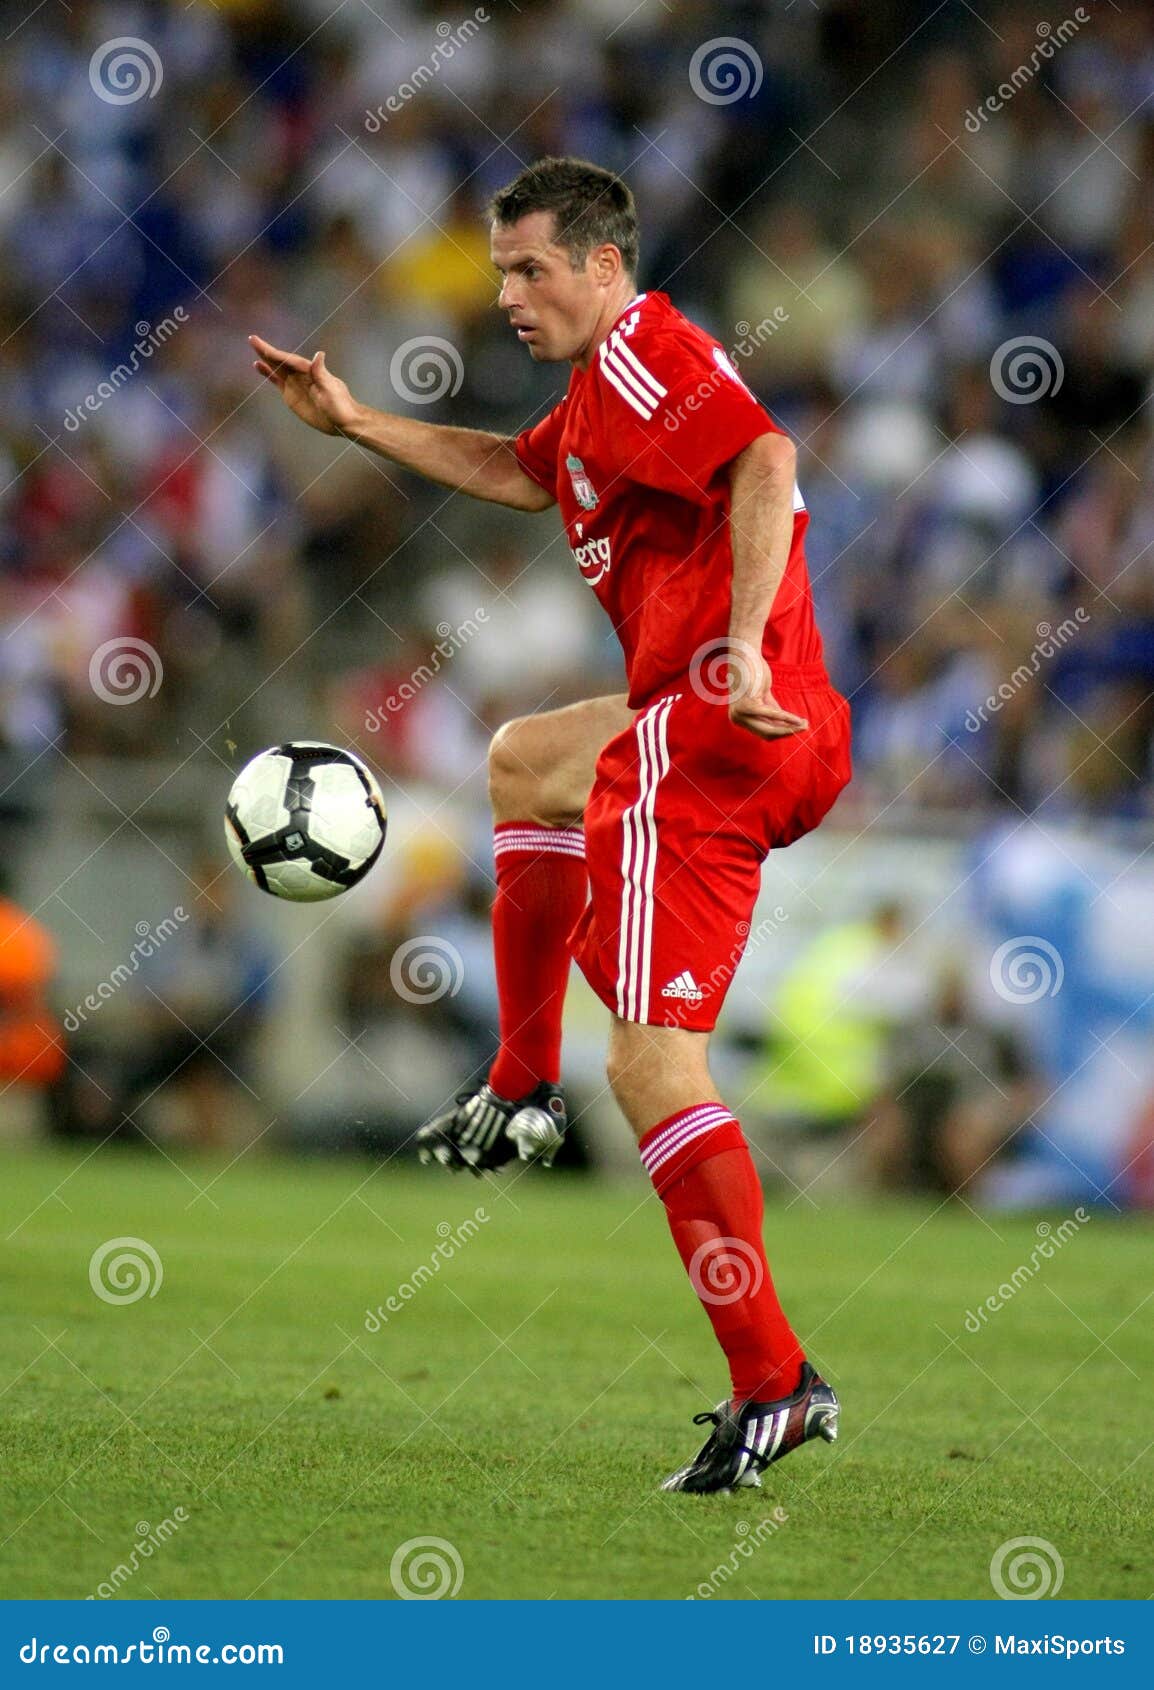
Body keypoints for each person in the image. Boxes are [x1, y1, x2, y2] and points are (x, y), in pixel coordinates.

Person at [251, 157, 852, 1494]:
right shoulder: (593, 402)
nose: (507, 293)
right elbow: (518, 473)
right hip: (730, 723)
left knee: (649, 1072)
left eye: (529, 267)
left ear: (599, 263)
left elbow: (766, 457)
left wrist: (742, 645)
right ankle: (520, 1083)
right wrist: (352, 421)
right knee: (523, 760)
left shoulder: (645, 355)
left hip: (718, 731)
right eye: (500, 268)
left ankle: (775, 1384)